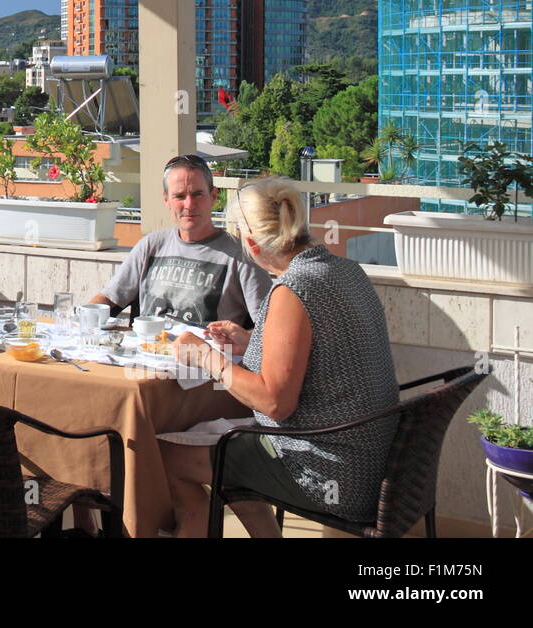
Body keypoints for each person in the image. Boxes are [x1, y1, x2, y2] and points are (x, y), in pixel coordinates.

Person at [160, 177, 399, 537]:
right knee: (236, 450)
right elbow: (323, 345)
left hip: (333, 472)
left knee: (169, 455)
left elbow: (275, 403)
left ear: (253, 245)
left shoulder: (293, 289)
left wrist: (208, 358)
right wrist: (252, 340)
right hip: (377, 459)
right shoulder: (346, 270)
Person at [92, 154, 271, 327]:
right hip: (148, 351)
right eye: (179, 196)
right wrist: (82, 320)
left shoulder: (242, 255)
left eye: (198, 194)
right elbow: (108, 299)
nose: (189, 204)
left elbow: (268, 327)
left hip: (205, 354)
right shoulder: (151, 245)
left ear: (214, 197)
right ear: (166, 200)